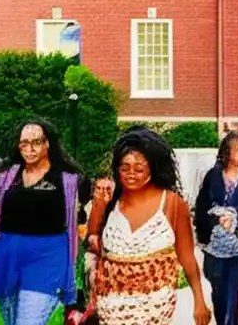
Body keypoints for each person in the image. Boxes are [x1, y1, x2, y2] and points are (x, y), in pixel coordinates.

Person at [0, 118, 88, 325]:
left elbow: (77, 225)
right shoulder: (5, 178)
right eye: (24, 143)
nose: (29, 149)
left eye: (36, 142)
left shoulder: (68, 180)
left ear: (48, 143)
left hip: (48, 260)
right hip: (7, 260)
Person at [85, 128, 211, 325]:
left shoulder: (172, 204)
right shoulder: (112, 202)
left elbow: (187, 257)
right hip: (111, 306)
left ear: (152, 169)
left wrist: (199, 300)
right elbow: (93, 241)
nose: (131, 174)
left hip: (154, 307)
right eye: (124, 168)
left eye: (138, 169)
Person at [194, 131, 238, 325]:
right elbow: (200, 208)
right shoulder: (212, 176)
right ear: (228, 152)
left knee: (233, 300)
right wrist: (216, 218)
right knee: (220, 298)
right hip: (214, 249)